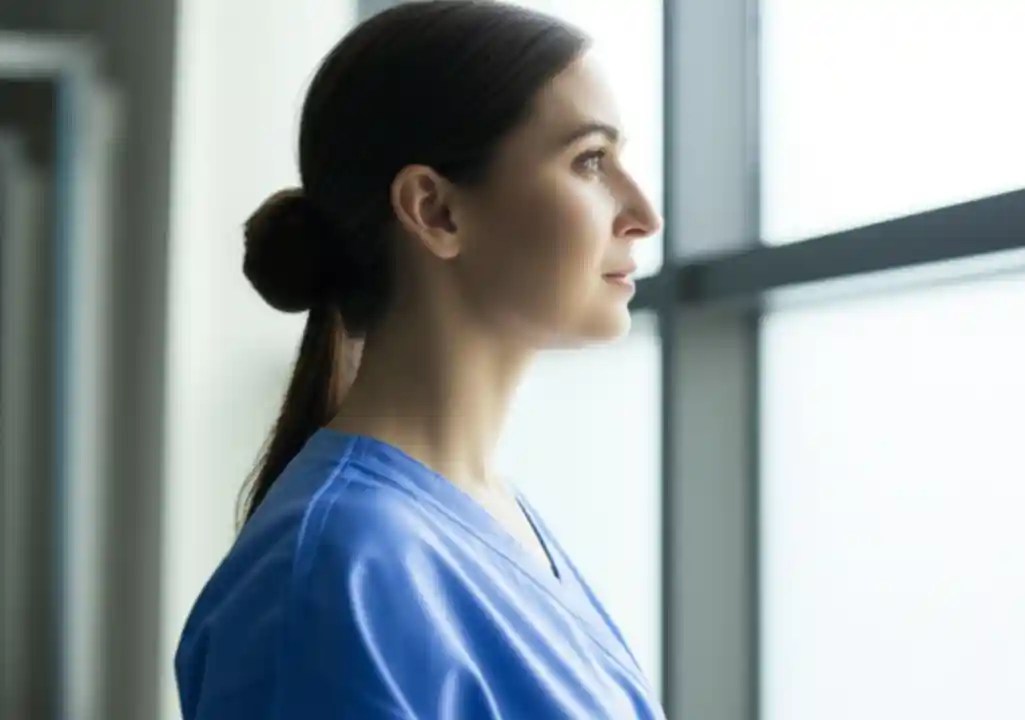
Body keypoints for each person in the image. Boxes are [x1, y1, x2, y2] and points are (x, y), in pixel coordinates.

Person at [173, 2, 664, 717]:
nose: (644, 212)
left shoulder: (487, 519)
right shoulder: (334, 574)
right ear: (435, 212)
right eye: (590, 160)